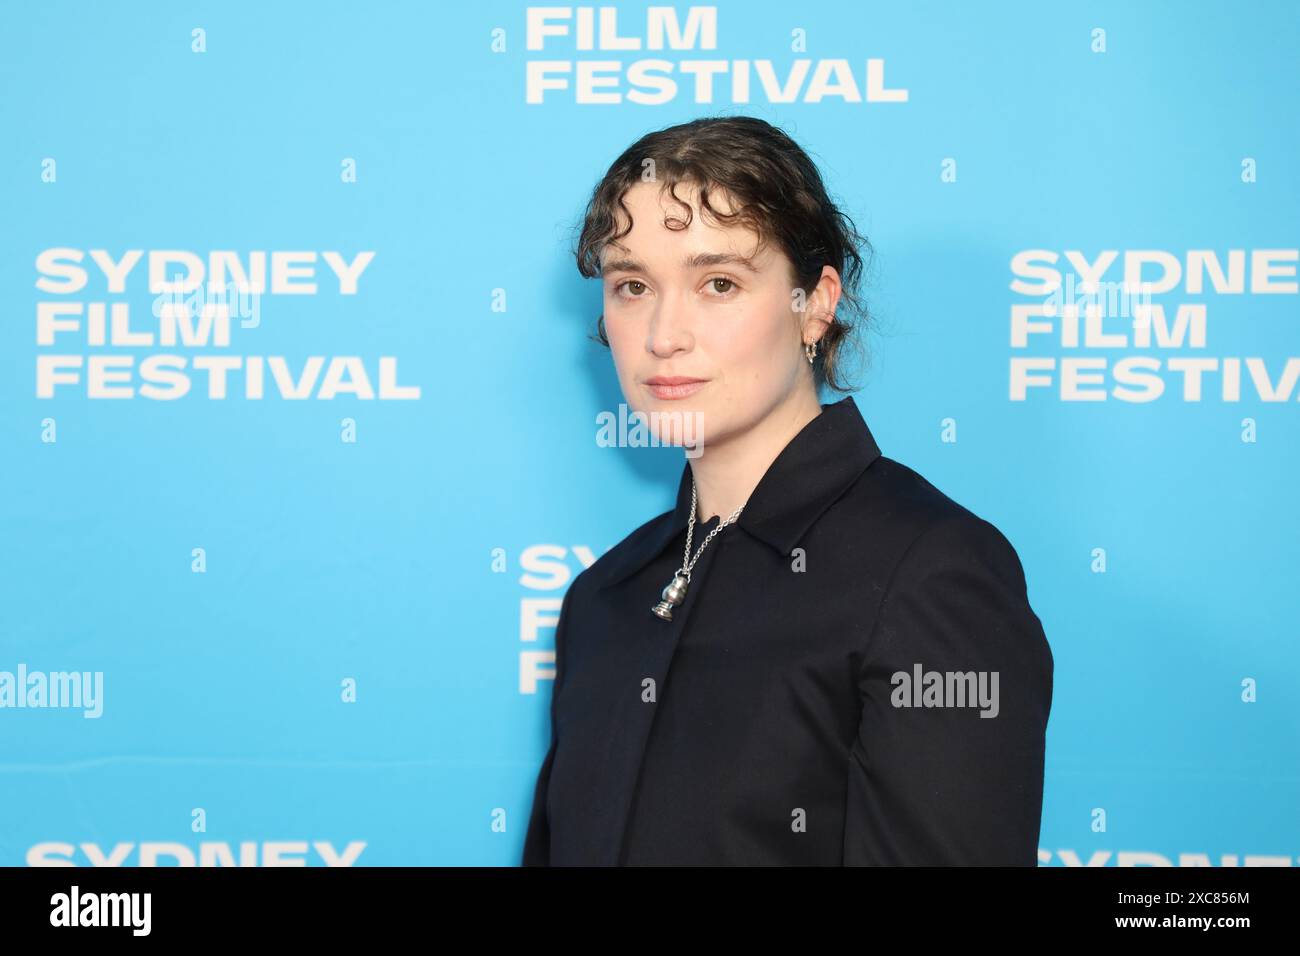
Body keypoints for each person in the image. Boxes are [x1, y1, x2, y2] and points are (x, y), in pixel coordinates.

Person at [523, 116, 1053, 866]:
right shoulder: (603, 597)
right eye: (632, 286)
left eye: (718, 283)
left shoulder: (931, 574)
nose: (664, 335)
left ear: (816, 304)